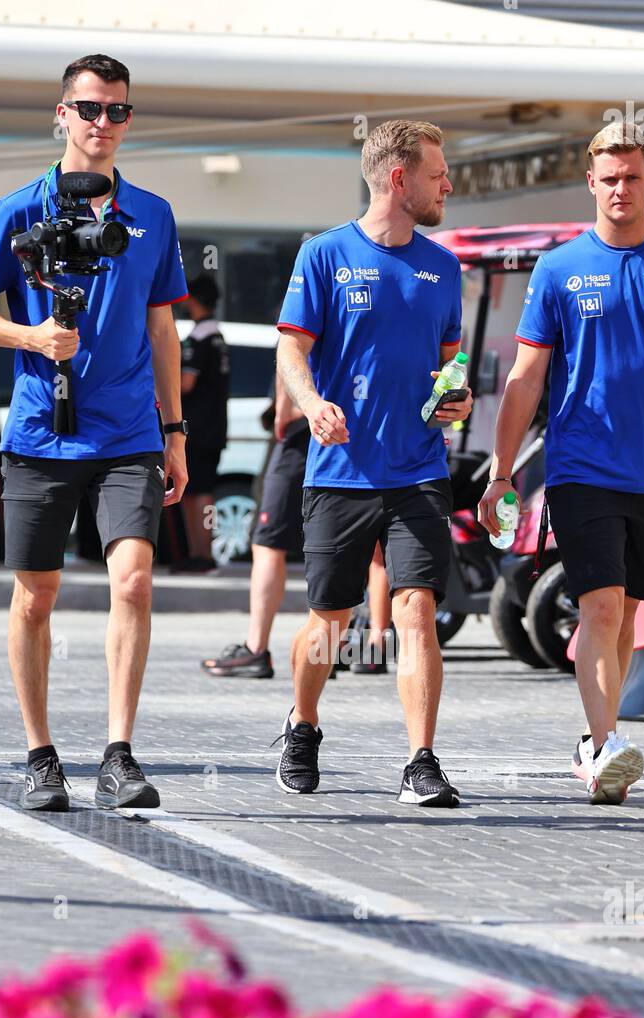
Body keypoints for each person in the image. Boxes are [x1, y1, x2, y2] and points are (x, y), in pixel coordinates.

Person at [478, 120, 644, 804]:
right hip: (581, 467)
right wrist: (500, 470)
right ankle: (604, 746)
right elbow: (525, 379)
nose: (619, 189)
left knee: (627, 614)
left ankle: (597, 742)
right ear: (592, 185)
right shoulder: (559, 268)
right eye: (607, 179)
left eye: (631, 177)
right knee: (598, 606)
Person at [0, 52, 188, 812]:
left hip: (128, 435)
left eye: (118, 111)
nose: (103, 123)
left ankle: (119, 754)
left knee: (135, 580)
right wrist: (31, 338)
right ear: (62, 115)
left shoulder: (152, 213)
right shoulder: (19, 208)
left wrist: (175, 431)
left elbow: (162, 331)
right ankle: (40, 754)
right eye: (89, 109)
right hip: (41, 434)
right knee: (35, 598)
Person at [274, 119, 473, 805]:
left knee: (415, 608)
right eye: (437, 171)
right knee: (331, 619)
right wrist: (308, 400)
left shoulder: (443, 267)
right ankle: (302, 726)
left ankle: (420, 759)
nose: (448, 182)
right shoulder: (323, 256)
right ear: (399, 177)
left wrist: (454, 397)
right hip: (338, 473)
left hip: (418, 470)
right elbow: (291, 350)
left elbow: (447, 362)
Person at [199, 378, 394, 678]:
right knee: (365, 539)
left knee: (268, 541)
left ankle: (259, 648)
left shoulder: (306, 330)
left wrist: (282, 411)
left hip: (307, 424)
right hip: (359, 427)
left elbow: (289, 360)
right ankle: (369, 647)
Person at [177, 272, 230, 572]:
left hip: (196, 427)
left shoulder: (199, 338)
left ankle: (201, 554)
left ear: (193, 299)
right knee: (198, 488)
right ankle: (198, 552)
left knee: (197, 490)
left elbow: (186, 383)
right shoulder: (219, 336)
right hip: (214, 425)